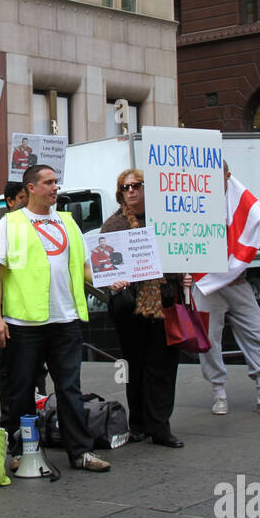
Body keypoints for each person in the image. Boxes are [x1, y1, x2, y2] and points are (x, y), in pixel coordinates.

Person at [0, 163, 111, 473]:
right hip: (23, 323)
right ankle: (22, 452)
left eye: (56, 182)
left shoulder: (69, 223)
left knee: (70, 388)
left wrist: (110, 278)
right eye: (48, 182)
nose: (55, 187)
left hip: (65, 320)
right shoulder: (10, 223)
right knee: (21, 391)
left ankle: (80, 452)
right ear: (30, 188)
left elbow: (84, 267)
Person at [192, 165, 260, 416]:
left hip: (237, 283)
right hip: (205, 283)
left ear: (228, 177)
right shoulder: (193, 202)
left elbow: (258, 236)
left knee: (256, 334)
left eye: (215, 176)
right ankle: (218, 393)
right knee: (208, 342)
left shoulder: (239, 202)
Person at [101, 168, 190, 447]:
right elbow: (103, 266)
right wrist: (114, 281)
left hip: (163, 302)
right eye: (125, 187)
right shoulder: (113, 225)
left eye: (136, 185)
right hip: (130, 306)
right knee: (135, 365)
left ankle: (160, 426)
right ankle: (137, 424)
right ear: (120, 193)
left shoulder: (165, 221)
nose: (131, 191)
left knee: (162, 366)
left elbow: (180, 252)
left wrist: (184, 273)